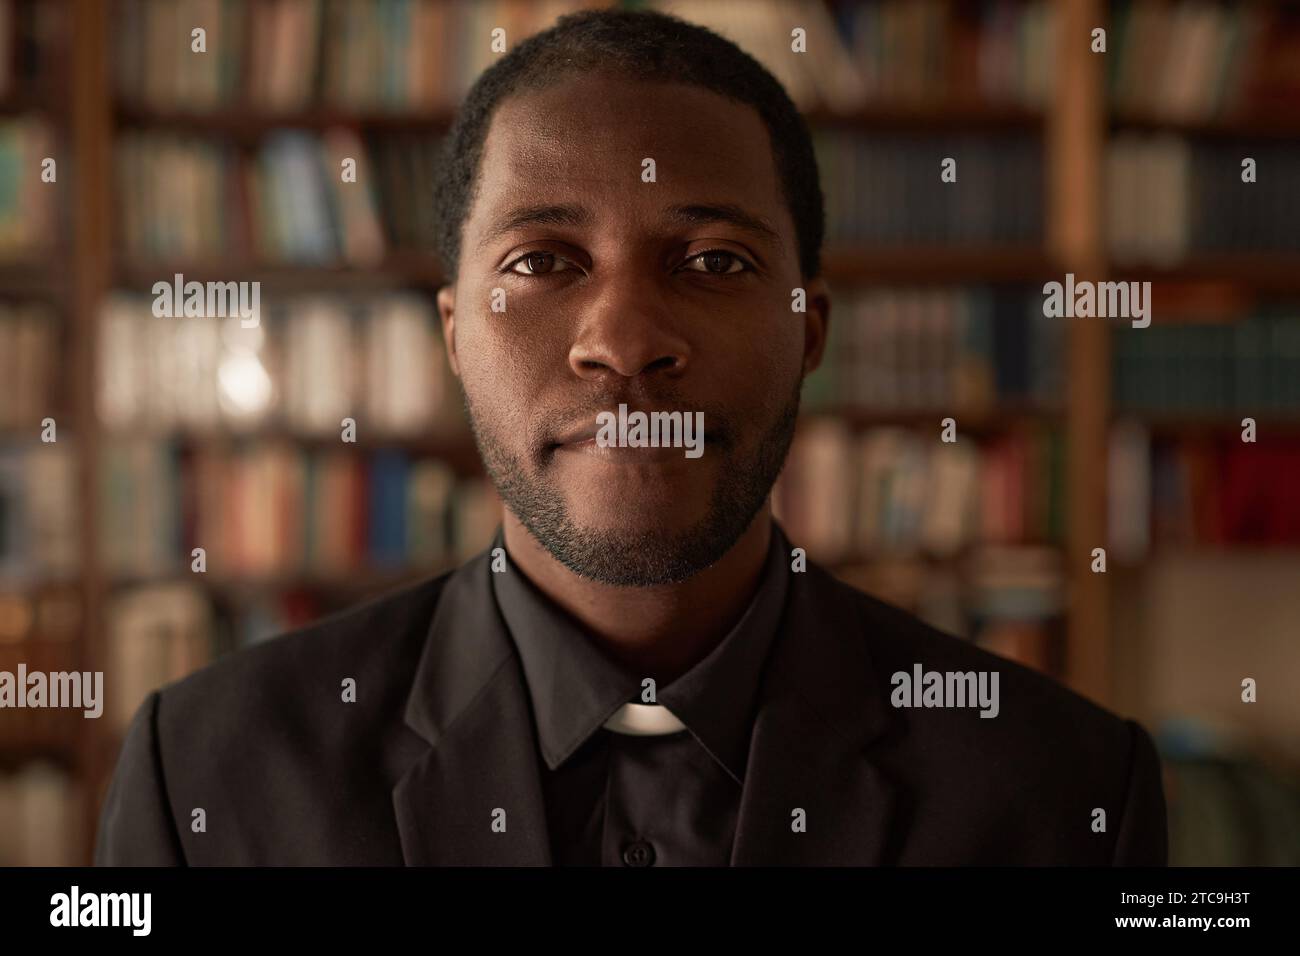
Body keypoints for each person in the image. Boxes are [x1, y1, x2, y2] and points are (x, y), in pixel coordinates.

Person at [95, 8, 1166, 866]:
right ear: (457, 335)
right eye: (542, 261)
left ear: (808, 332)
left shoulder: (1063, 790)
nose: (624, 341)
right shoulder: (202, 777)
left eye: (713, 262)